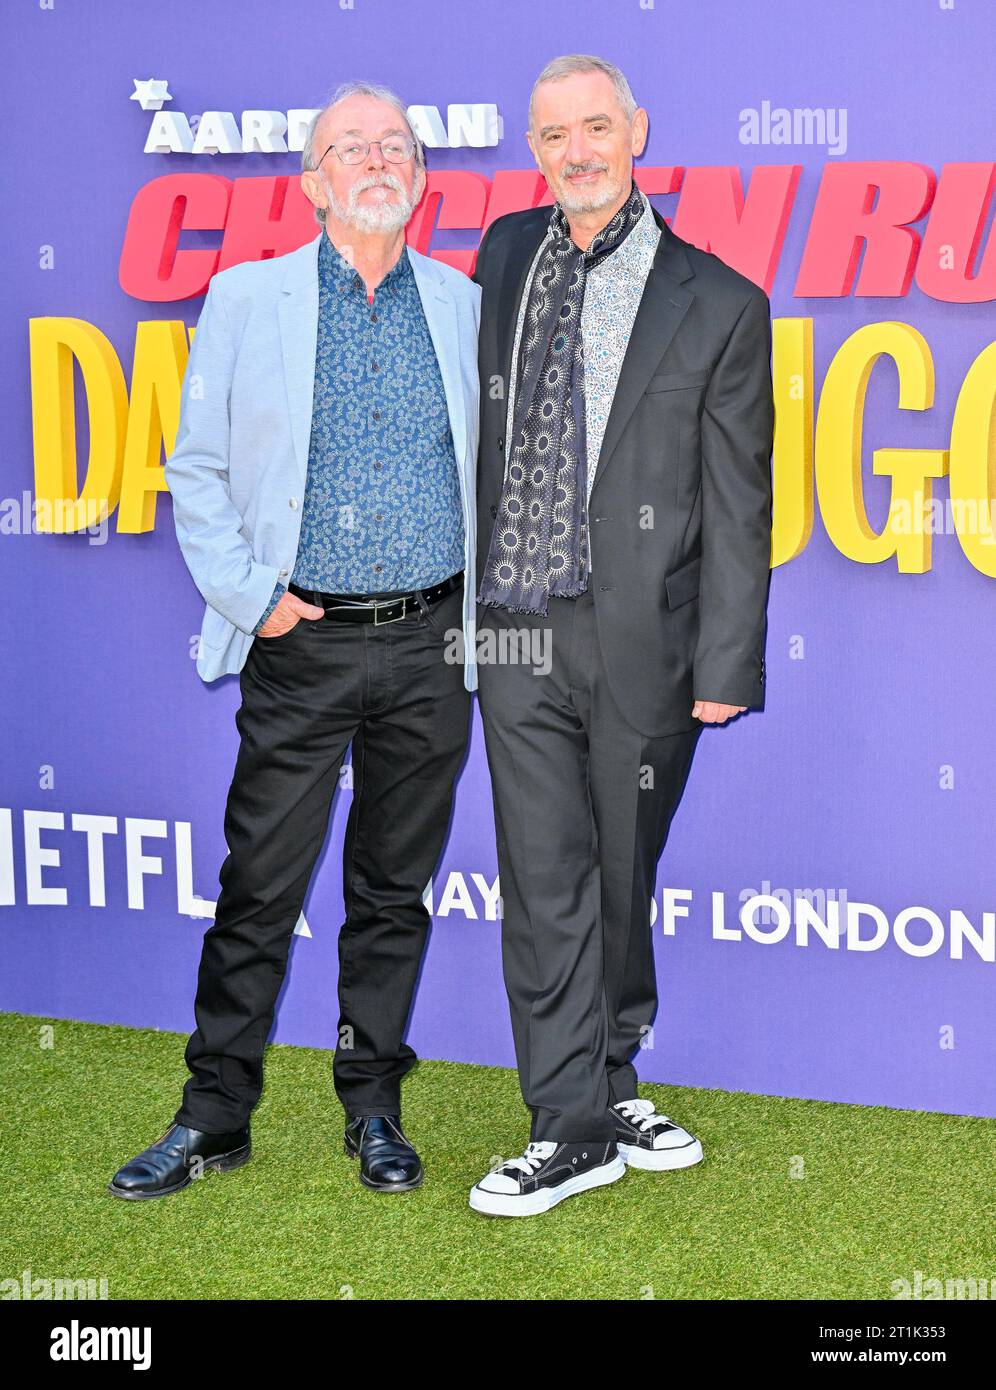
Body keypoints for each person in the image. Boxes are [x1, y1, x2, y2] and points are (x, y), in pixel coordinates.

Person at [108, 81, 481, 1200]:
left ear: (419, 178)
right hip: (301, 642)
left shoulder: (462, 303)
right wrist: (256, 597)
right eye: (350, 147)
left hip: (432, 646)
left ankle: (374, 1109)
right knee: (258, 887)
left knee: (391, 892)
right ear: (313, 183)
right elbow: (199, 470)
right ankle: (214, 1111)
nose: (377, 159)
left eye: (395, 146)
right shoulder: (245, 299)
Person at [468, 54, 774, 1217]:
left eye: (597, 127)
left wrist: (728, 663)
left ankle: (613, 1067)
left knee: (617, 868)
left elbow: (743, 504)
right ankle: (570, 1125)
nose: (577, 151)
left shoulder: (721, 302)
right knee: (544, 876)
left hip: (647, 636)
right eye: (554, 135)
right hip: (512, 627)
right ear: (533, 147)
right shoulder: (502, 255)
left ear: (638, 130)